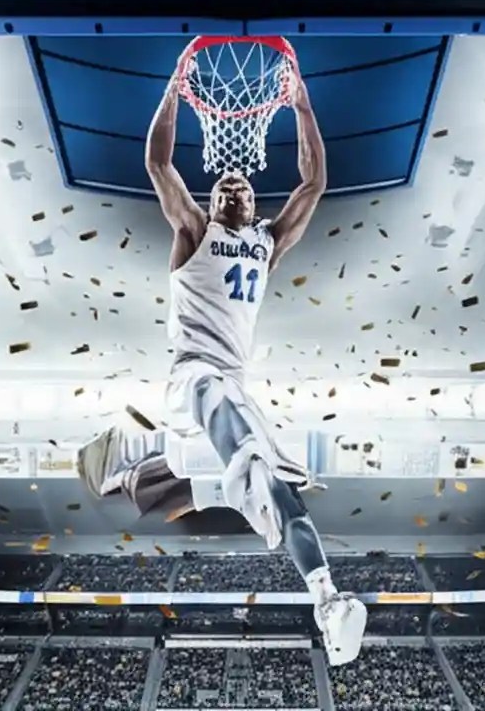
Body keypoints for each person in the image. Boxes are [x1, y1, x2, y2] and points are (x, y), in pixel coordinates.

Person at [76, 46, 367, 666]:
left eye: (240, 181)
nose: (230, 182)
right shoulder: (194, 232)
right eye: (218, 184)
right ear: (208, 204)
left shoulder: (268, 241)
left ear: (253, 200)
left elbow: (313, 181)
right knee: (233, 424)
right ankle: (137, 457)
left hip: (234, 392)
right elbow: (158, 163)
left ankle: (327, 598)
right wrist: (174, 92)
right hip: (192, 384)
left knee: (279, 490)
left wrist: (303, 105)